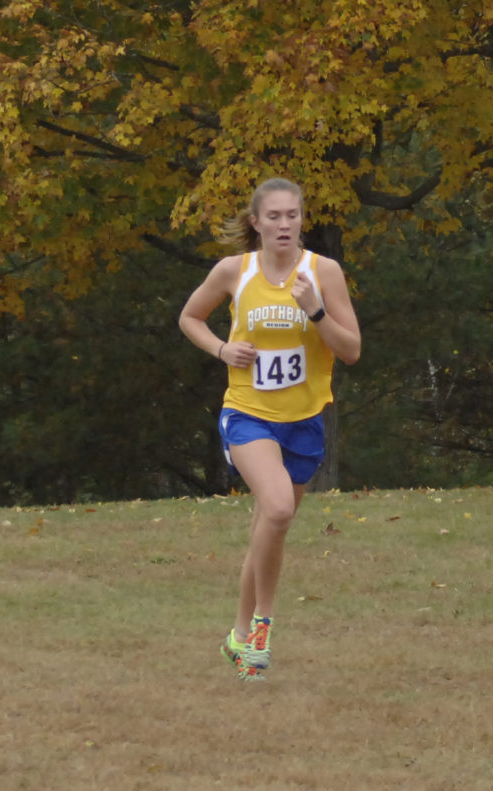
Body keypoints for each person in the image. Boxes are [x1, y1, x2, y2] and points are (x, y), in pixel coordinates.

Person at [178, 178, 361, 680]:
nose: (285, 225)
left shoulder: (323, 273)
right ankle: (263, 625)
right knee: (277, 507)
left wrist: (315, 310)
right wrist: (221, 349)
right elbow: (190, 317)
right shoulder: (234, 271)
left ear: (303, 220)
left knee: (269, 526)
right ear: (255, 222)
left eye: (293, 215)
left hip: (303, 421)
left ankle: (239, 637)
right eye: (274, 216)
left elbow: (350, 350)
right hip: (247, 413)